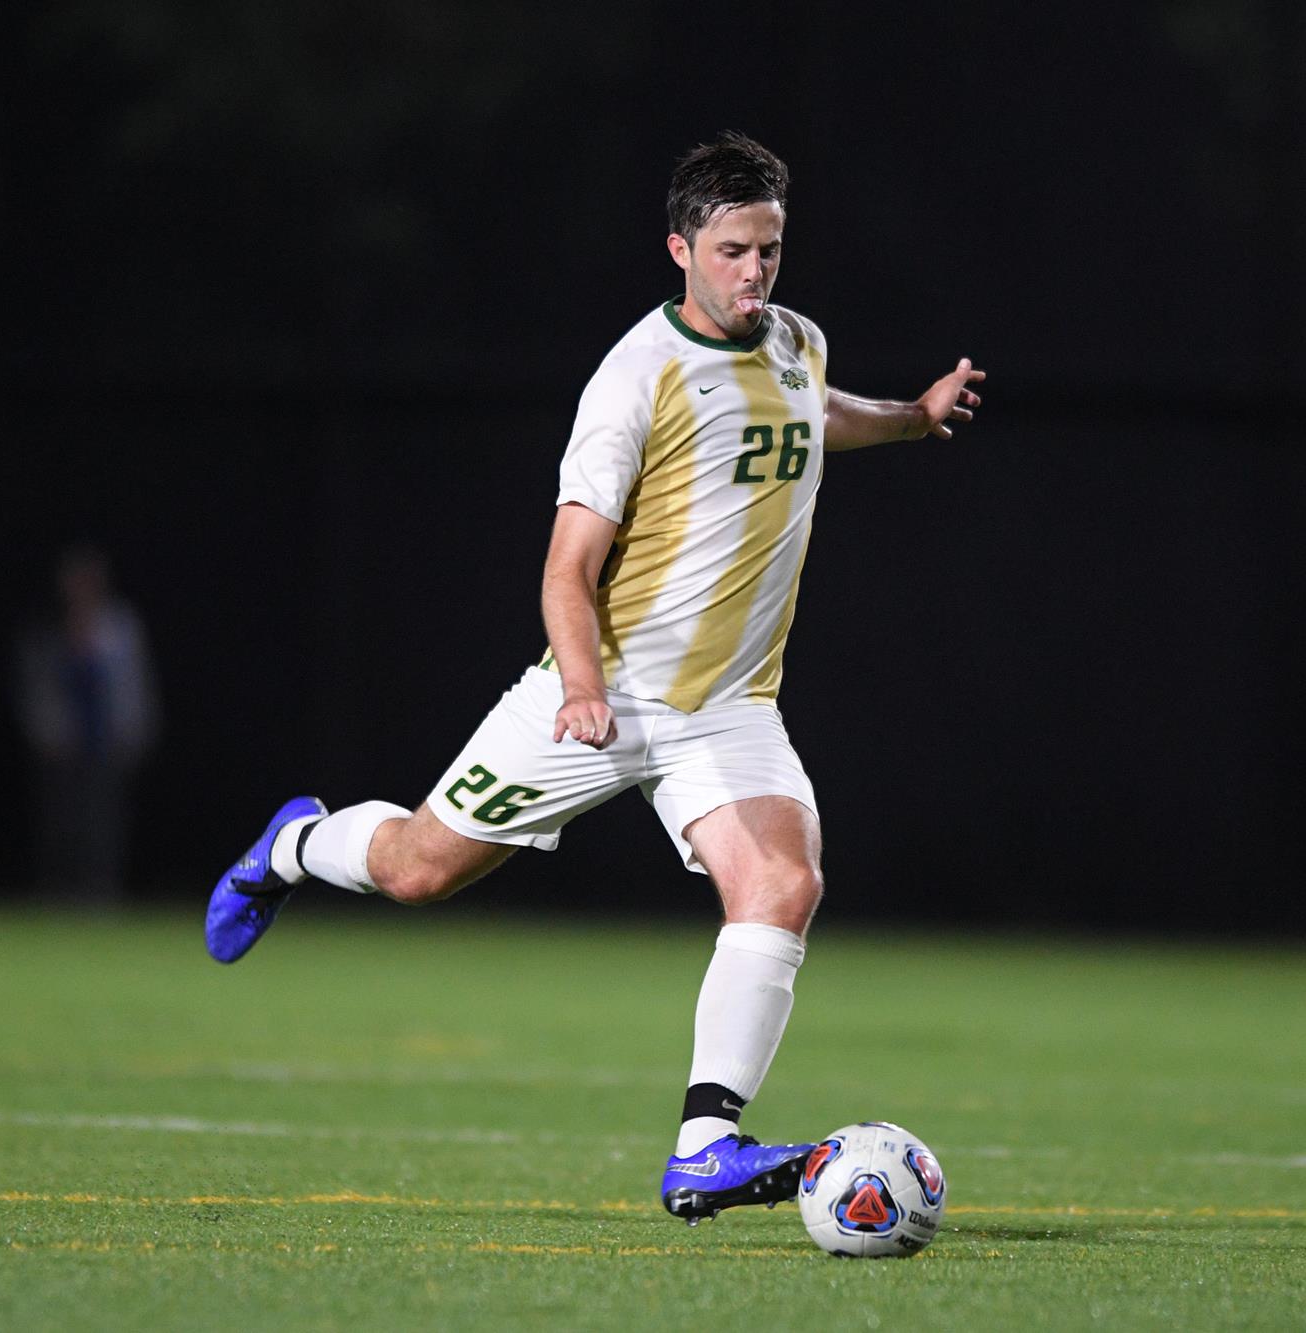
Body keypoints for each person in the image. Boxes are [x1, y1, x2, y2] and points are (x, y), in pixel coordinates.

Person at [205, 132, 984, 1222]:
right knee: (420, 869)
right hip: (602, 700)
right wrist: (578, 687)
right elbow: (567, 567)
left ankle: (705, 1146)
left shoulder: (796, 341)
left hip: (726, 709)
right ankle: (293, 843)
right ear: (679, 247)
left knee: (782, 884)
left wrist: (909, 416)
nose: (753, 271)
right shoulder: (634, 379)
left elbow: (808, 415)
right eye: (730, 251)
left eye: (767, 248)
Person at [17, 544, 160, 905]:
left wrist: (135, 731)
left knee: (103, 821)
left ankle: (99, 891)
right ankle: (55, 889)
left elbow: (134, 683)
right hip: (61, 743)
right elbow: (36, 686)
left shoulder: (120, 626)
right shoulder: (50, 628)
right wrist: (43, 733)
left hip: (105, 741)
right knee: (59, 820)